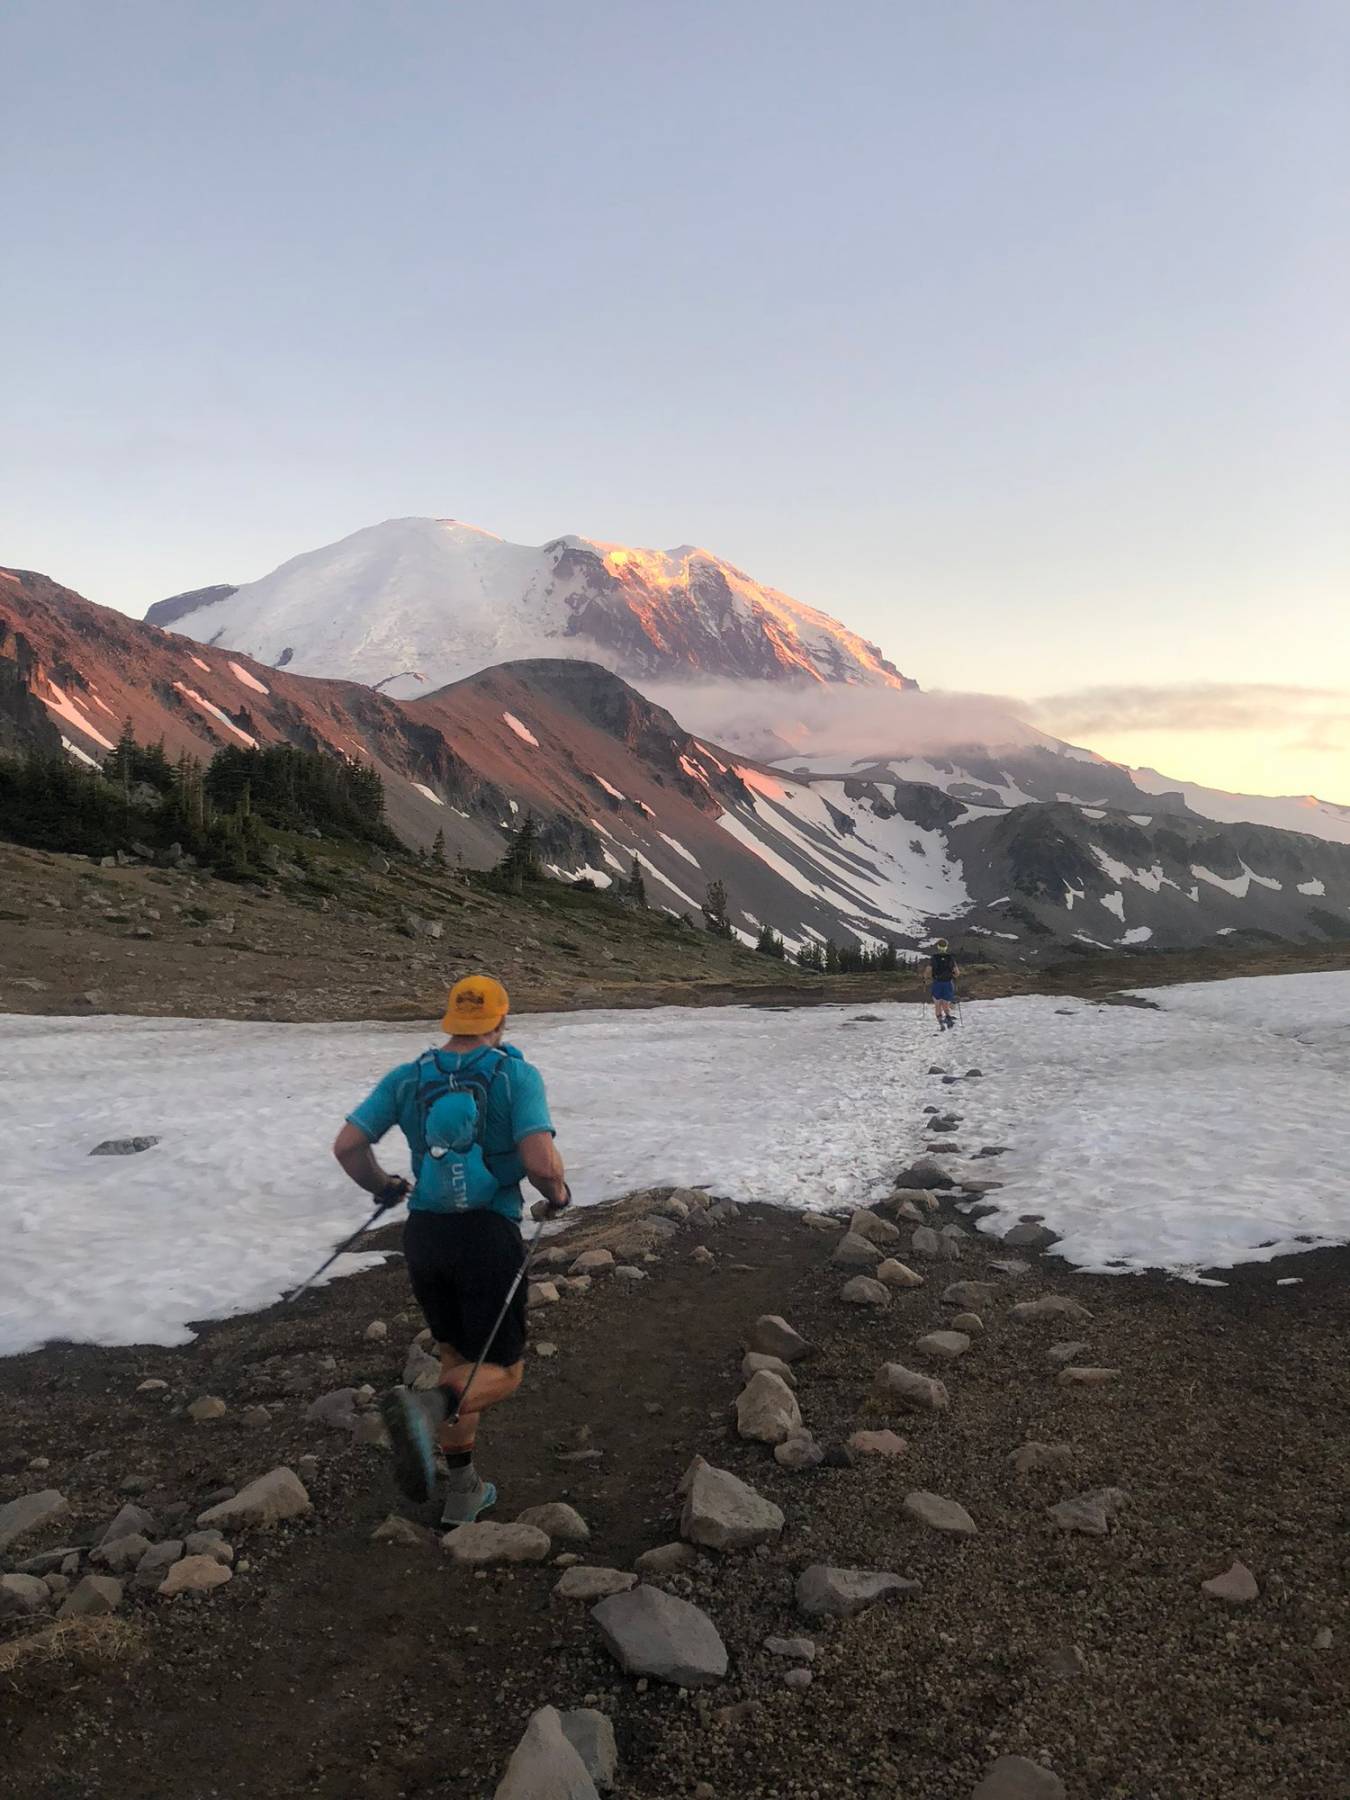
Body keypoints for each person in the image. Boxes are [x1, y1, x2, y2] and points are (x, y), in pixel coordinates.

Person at [332, 974, 568, 1523]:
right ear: (501, 1021)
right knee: (503, 1372)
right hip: (487, 1237)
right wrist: (557, 1193)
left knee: (458, 1359)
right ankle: (424, 1409)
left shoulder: (410, 1076)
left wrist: (382, 1186)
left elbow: (348, 1146)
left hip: (425, 1236)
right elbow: (539, 1162)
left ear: (451, 1021)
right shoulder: (515, 1076)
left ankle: (463, 1490)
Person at [930, 938, 959, 1030]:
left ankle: (941, 1023)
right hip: (947, 983)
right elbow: (957, 972)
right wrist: (954, 975)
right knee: (946, 1002)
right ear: (946, 947)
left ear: (938, 947)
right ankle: (948, 1017)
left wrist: (925, 977)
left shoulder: (934, 957)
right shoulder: (950, 958)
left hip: (937, 983)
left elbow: (928, 969)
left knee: (937, 1003)